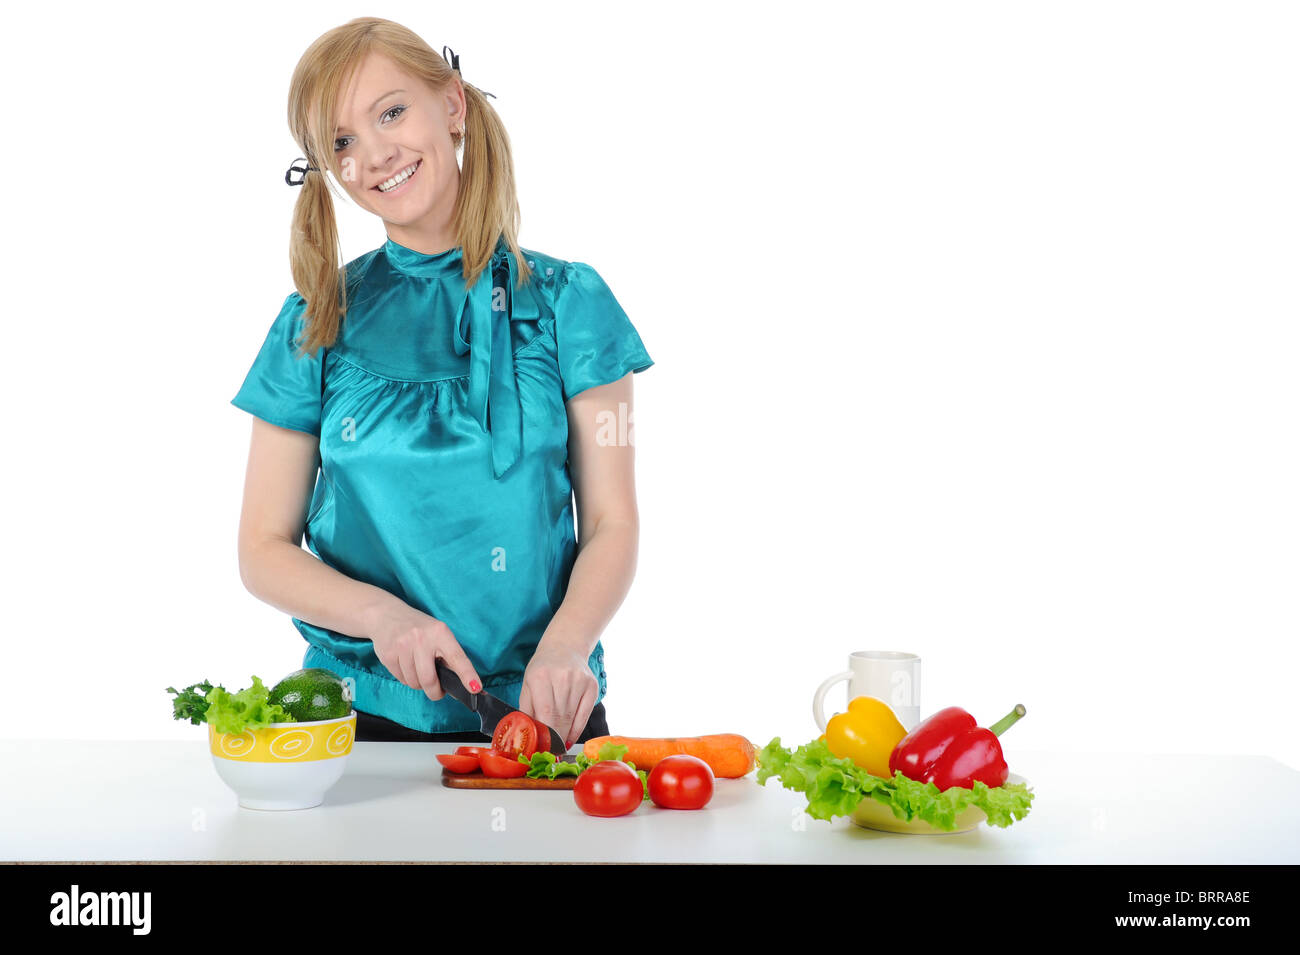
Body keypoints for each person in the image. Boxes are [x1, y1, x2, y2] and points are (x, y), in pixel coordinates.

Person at [230, 18, 653, 747]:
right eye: (342, 142)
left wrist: (567, 643)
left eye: (390, 112)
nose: (375, 154)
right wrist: (381, 617)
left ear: (452, 105)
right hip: (360, 719)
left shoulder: (569, 304)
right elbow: (262, 546)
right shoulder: (314, 321)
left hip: (543, 712)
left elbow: (612, 519)